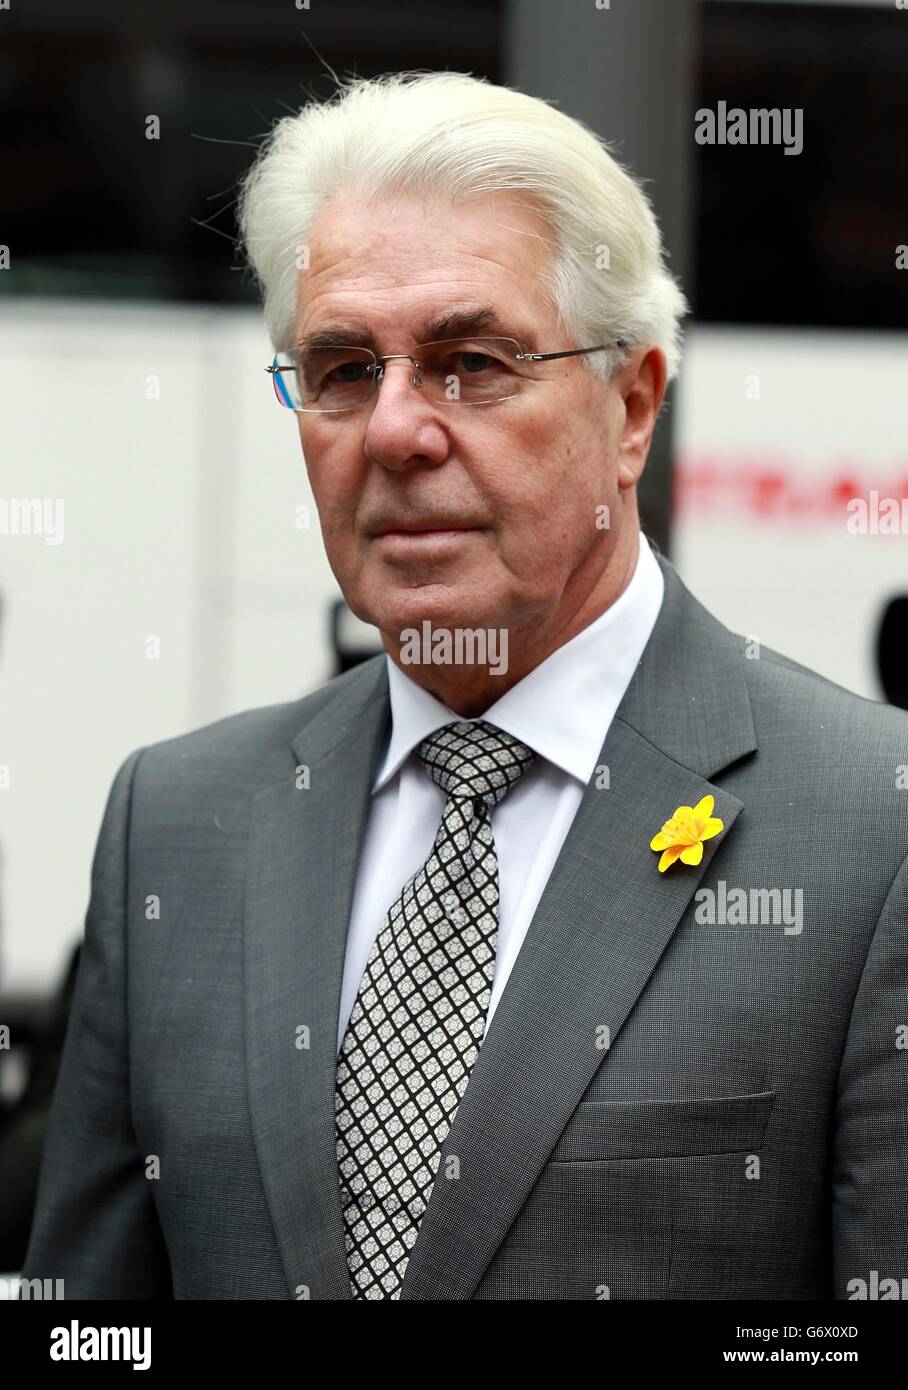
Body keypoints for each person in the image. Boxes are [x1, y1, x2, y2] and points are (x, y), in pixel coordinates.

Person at [22, 71, 908, 1300]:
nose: (392, 431)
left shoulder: (873, 831)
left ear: (632, 407)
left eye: (471, 360)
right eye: (340, 369)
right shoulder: (172, 825)